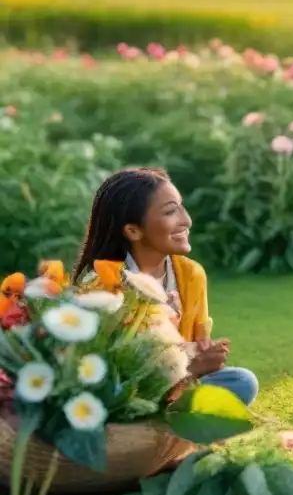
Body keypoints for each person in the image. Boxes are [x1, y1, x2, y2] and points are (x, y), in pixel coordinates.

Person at [71, 167, 259, 406]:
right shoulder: (104, 286)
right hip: (128, 393)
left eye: (182, 207)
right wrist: (190, 366)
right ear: (133, 230)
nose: (186, 221)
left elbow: (198, 343)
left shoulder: (191, 275)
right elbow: (108, 369)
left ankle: (175, 416)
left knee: (241, 381)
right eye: (171, 211)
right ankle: (174, 421)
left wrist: (207, 355)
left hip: (181, 385)